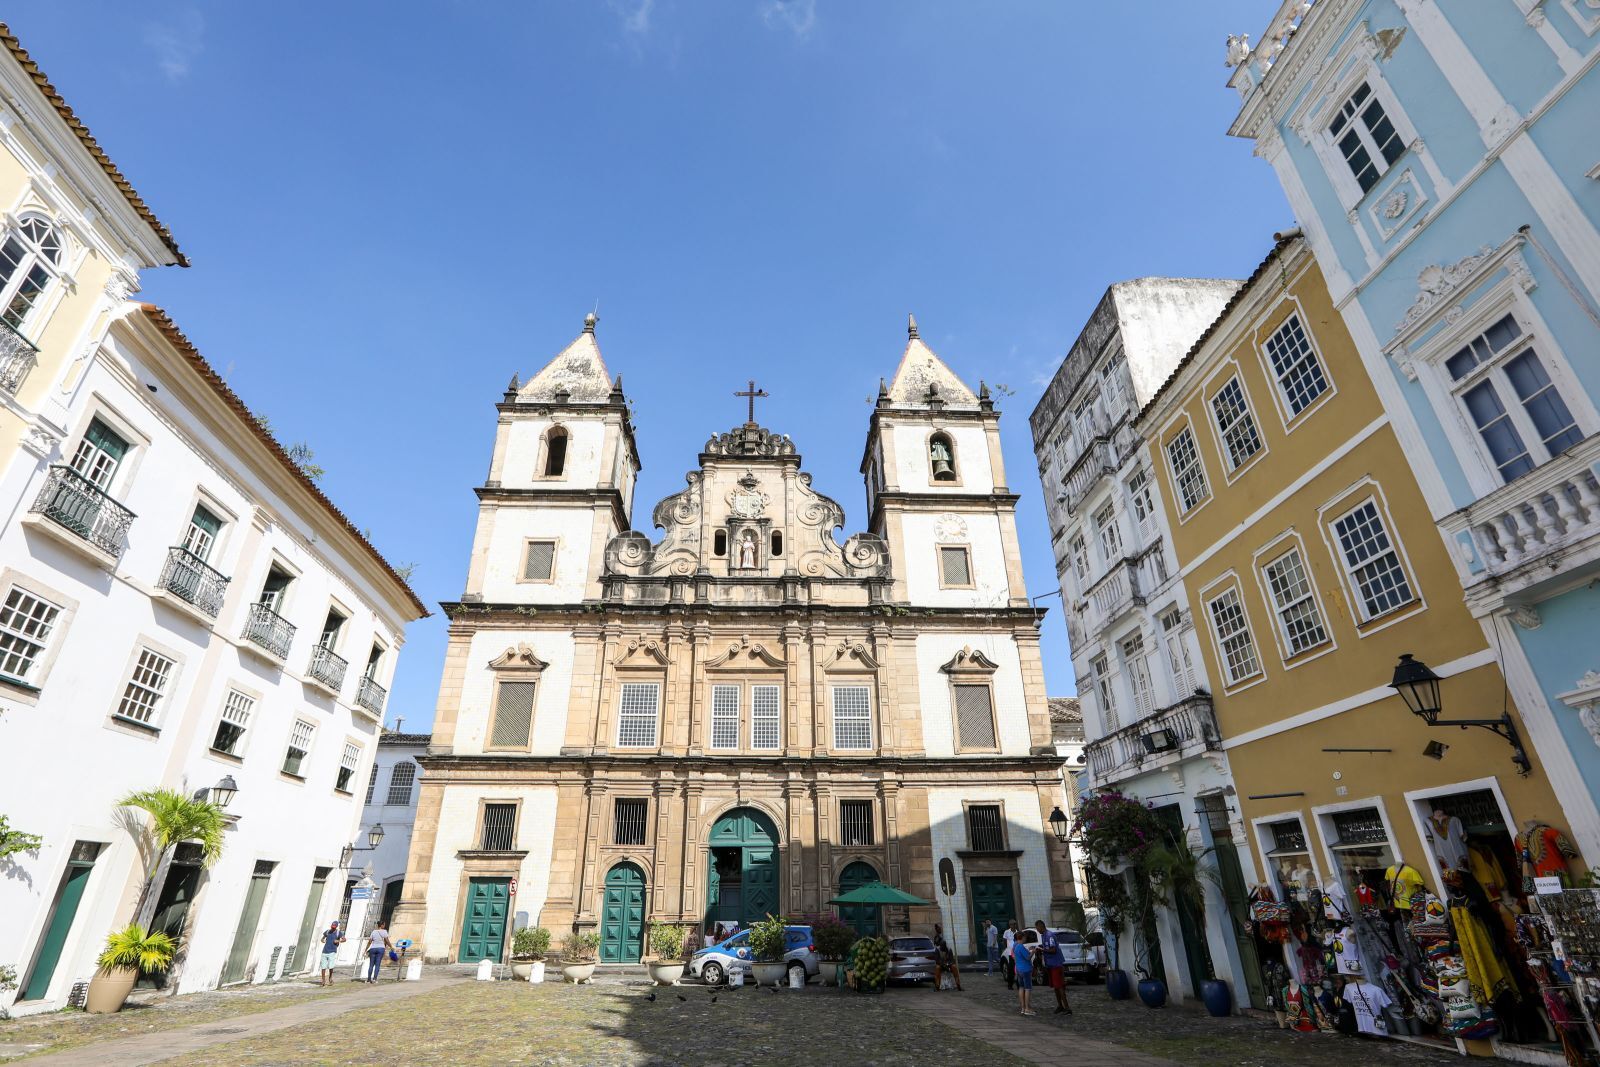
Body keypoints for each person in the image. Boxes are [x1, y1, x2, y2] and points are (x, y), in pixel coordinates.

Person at [1034, 920, 1072, 1015]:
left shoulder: (1049, 935)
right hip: (1050, 964)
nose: (1037, 930)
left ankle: (1067, 1008)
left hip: (1056, 964)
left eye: (1037, 928)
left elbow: (1053, 949)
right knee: (1055, 986)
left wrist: (1043, 949)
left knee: (1059, 986)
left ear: (1041, 926)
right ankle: (1060, 1005)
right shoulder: (1044, 936)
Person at [932, 923, 963, 992]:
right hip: (941, 964)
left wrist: (948, 964)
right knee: (937, 968)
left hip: (948, 964)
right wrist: (942, 964)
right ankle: (937, 986)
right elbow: (937, 960)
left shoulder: (949, 950)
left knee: (954, 967)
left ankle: (958, 985)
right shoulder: (937, 950)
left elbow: (952, 959)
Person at [1013, 928, 1036, 1016]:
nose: (1025, 939)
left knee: (1021, 988)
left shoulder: (1016, 947)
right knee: (1027, 989)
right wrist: (1033, 952)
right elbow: (1027, 958)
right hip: (1025, 970)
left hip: (1019, 969)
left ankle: (1023, 1008)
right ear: (1022, 937)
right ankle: (1027, 1008)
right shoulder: (1021, 946)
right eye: (1025, 937)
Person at [317, 920, 345, 987]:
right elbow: (322, 939)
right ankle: (323, 981)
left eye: (334, 927)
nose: (332, 928)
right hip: (325, 951)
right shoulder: (327, 932)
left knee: (330, 966)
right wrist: (323, 940)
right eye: (332, 926)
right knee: (323, 967)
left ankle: (330, 978)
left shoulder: (338, 933)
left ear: (336, 927)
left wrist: (338, 940)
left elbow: (344, 939)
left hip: (332, 951)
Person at [1002, 920, 1019, 990]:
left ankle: (1019, 984)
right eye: (1011, 924)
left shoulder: (1018, 932)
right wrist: (1008, 948)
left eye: (1014, 924)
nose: (1012, 925)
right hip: (1010, 954)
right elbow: (1004, 941)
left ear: (1015, 925)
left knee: (1018, 970)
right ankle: (1010, 985)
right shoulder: (1006, 932)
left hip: (1017, 953)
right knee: (1011, 970)